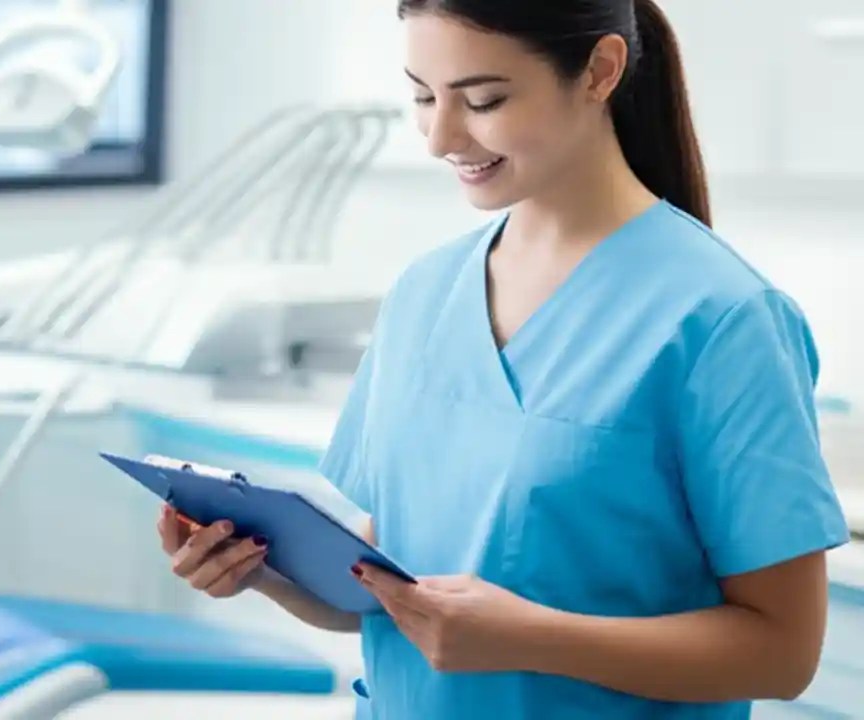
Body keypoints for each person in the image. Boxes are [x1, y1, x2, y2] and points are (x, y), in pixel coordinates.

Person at [155, 0, 851, 717]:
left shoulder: (722, 320)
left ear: (600, 71)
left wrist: (535, 640)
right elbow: (392, 588)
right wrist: (261, 571)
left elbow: (782, 653)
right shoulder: (424, 292)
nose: (440, 137)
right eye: (423, 96)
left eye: (483, 100)